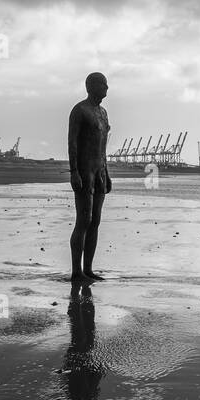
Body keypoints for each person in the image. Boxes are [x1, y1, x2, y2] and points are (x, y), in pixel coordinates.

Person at [68, 72, 112, 282]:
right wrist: (74, 171)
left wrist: (108, 173)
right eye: (103, 84)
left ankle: (88, 269)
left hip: (100, 172)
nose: (107, 88)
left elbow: (103, 146)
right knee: (83, 221)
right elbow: (73, 143)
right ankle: (77, 271)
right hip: (84, 171)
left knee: (96, 221)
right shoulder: (80, 110)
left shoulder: (103, 113)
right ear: (91, 86)